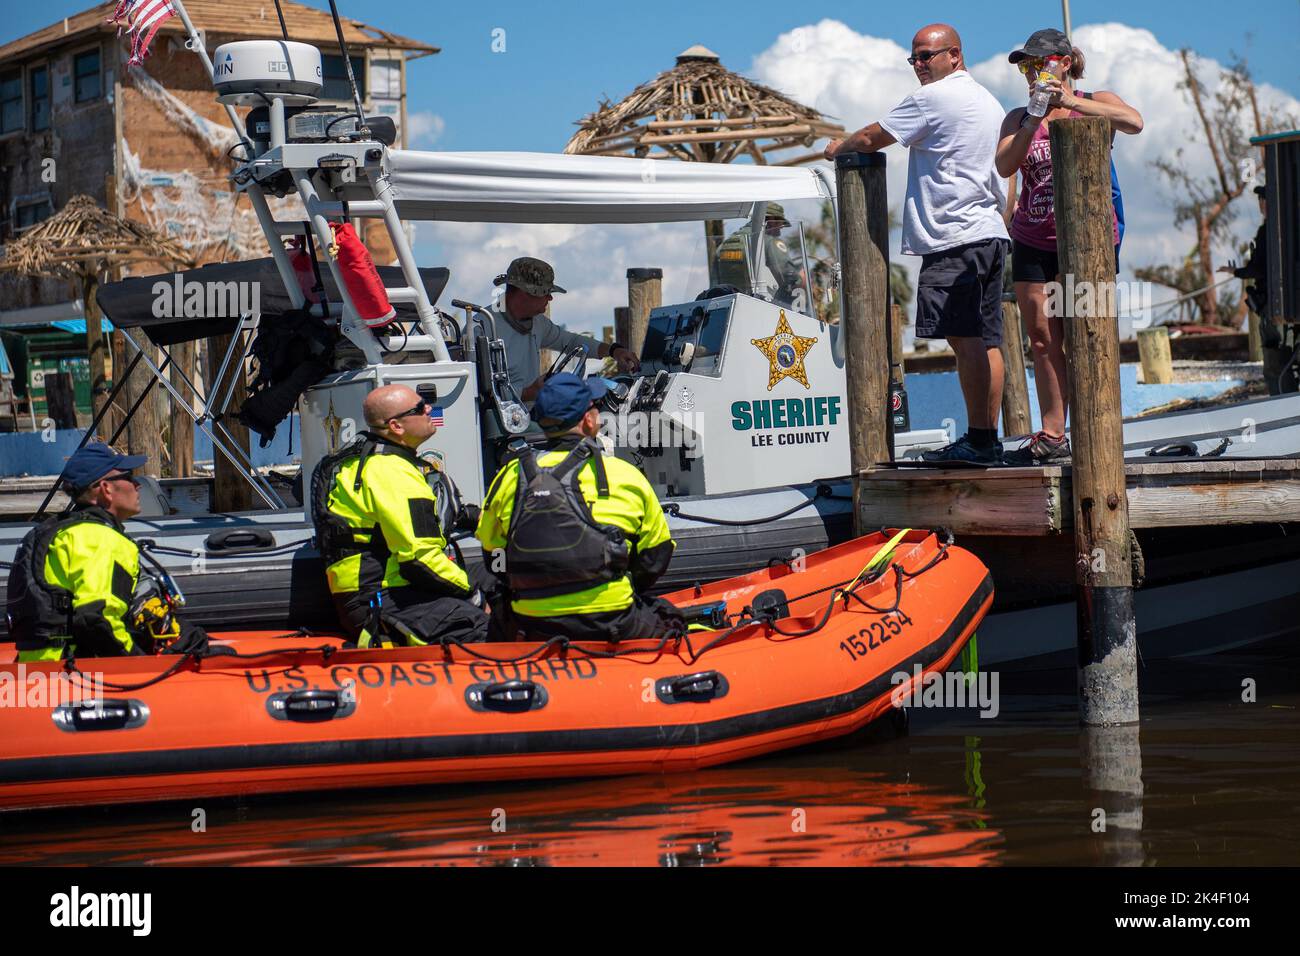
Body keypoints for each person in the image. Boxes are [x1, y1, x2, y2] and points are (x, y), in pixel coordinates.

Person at [825, 23, 1010, 465]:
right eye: (914, 58)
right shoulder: (987, 100)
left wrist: (838, 148)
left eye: (927, 56)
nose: (920, 66)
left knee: (965, 340)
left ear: (955, 56)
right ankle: (987, 438)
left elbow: (872, 138)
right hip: (987, 232)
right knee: (985, 341)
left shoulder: (935, 98)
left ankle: (980, 442)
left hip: (955, 236)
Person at [996, 29, 1143, 465]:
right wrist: (1033, 117)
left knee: (1087, 335)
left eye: (1038, 64)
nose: (1031, 72)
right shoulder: (1018, 117)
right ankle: (1053, 434)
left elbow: (1134, 122)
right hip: (1032, 240)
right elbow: (1005, 163)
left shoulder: (1096, 100)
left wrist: (1070, 103)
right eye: (1025, 66)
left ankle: (1095, 431)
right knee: (1042, 339)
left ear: (1063, 62)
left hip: (1086, 244)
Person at [475, 373, 684, 643]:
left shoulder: (507, 477)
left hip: (531, 625)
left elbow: (495, 559)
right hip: (612, 620)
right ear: (588, 420)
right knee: (672, 619)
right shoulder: (625, 475)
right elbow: (654, 559)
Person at [311, 384, 489, 647]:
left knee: (500, 571)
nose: (429, 409)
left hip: (388, 588)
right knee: (487, 629)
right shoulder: (392, 473)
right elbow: (419, 560)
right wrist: (476, 598)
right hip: (385, 598)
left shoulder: (367, 461)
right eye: (420, 408)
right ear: (396, 426)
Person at [6, 443, 204, 661]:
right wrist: (138, 661)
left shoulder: (59, 532)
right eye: (129, 477)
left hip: (37, 667)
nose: (137, 485)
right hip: (73, 670)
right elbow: (96, 619)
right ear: (106, 488)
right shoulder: (99, 539)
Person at [487, 257, 640, 403]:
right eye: (545, 292)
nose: (550, 298)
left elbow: (572, 341)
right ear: (524, 293)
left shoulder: (538, 323)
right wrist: (529, 393)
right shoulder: (483, 328)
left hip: (528, 417)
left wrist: (614, 351)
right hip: (501, 425)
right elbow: (482, 392)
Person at [1218, 185, 1291, 392]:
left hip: (1272, 303)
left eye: (1263, 200)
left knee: (1273, 354)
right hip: (1283, 302)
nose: (1261, 204)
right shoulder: (1287, 228)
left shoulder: (1267, 231)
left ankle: (1281, 398)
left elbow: (1258, 269)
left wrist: (1236, 272)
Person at [714, 203, 807, 307]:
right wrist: (802, 278)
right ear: (771, 220)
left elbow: (714, 286)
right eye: (779, 226)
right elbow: (789, 277)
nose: (779, 233)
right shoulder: (767, 241)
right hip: (759, 309)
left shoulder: (723, 245)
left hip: (728, 309)